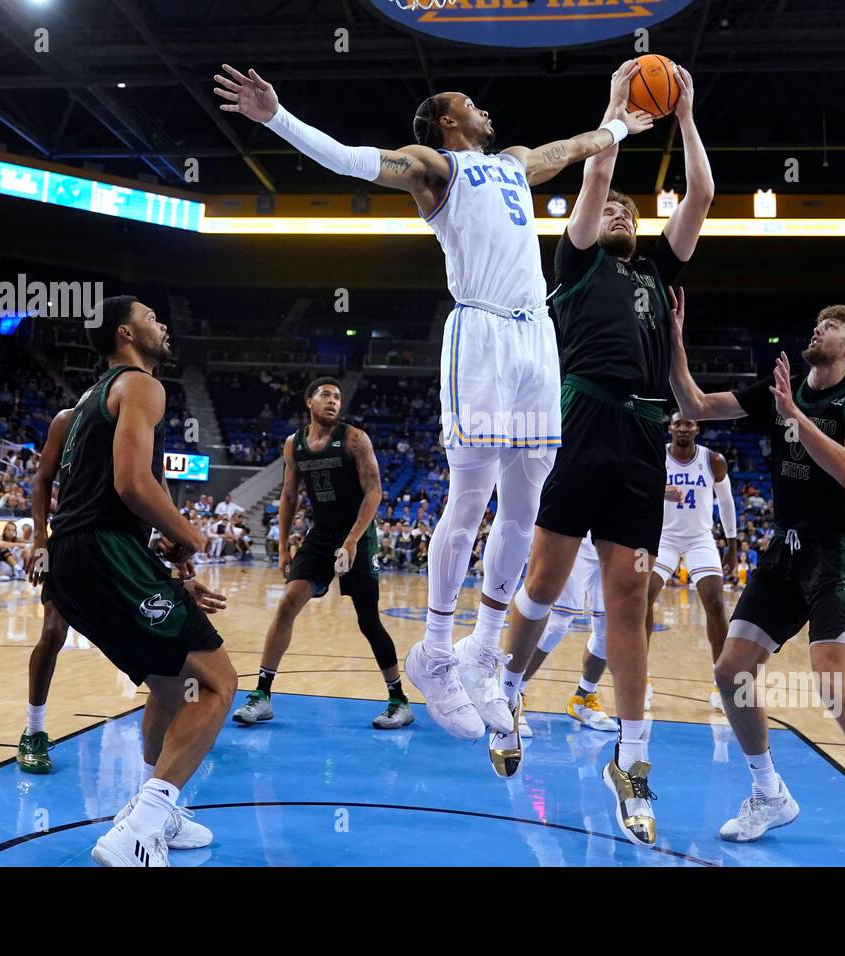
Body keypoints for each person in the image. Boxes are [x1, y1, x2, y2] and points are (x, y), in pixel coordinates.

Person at [213, 59, 654, 742]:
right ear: (448, 120)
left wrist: (617, 118)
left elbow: (570, 150)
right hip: (478, 330)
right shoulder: (435, 166)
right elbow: (354, 161)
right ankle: (437, 649)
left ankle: (482, 651)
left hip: (536, 334)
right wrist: (276, 117)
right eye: (471, 102)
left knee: (528, 505)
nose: (484, 108)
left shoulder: (510, 161)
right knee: (471, 499)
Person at [486, 61, 711, 849]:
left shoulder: (657, 271)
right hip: (583, 415)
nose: (616, 209)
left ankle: (634, 761)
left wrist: (683, 115)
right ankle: (507, 693)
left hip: (645, 434)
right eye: (607, 205)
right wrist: (619, 107)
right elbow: (602, 166)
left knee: (628, 603)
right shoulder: (576, 261)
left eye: (627, 210)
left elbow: (703, 198)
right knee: (544, 580)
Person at [669, 302, 845, 866]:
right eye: (818, 322)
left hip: (834, 554)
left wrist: (794, 414)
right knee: (730, 670)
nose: (818, 328)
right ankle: (769, 793)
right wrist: (674, 340)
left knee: (834, 690)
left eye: (832, 326)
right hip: (785, 549)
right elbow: (694, 404)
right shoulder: (783, 389)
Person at [40, 296, 234, 867]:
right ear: (126, 333)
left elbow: (96, 490)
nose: (163, 324)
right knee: (219, 683)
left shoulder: (83, 403)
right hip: (104, 550)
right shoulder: (142, 385)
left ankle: (157, 814)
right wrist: (192, 538)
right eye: (152, 317)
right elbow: (131, 484)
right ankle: (139, 829)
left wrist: (163, 562)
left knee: (174, 687)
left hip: (73, 559)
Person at [231, 378, 413, 730]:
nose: (333, 401)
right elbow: (288, 496)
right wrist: (283, 546)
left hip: (358, 533)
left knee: (367, 620)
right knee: (286, 603)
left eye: (338, 397)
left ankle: (399, 700)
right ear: (309, 403)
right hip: (321, 534)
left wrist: (353, 540)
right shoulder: (293, 445)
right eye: (326, 395)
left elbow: (374, 493)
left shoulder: (355, 438)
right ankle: (262, 695)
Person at [646, 411, 737, 713]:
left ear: (697, 428)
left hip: (700, 538)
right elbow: (638, 489)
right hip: (663, 538)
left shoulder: (713, 460)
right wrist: (661, 492)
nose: (683, 428)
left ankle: (721, 683)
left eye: (688, 423)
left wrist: (733, 547)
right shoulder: (655, 456)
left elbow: (725, 502)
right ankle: (642, 680)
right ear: (669, 428)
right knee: (643, 597)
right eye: (677, 423)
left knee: (715, 603)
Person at [16, 407, 76, 774]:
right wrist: (40, 536)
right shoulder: (68, 419)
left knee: (150, 635)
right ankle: (32, 730)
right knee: (52, 632)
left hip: (122, 546)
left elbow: (155, 484)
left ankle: (176, 724)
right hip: (70, 541)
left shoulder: (145, 418)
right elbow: (42, 478)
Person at [516, 533, 619, 734]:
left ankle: (583, 698)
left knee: (609, 629)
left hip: (617, 538)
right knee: (556, 626)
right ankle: (513, 693)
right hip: (580, 535)